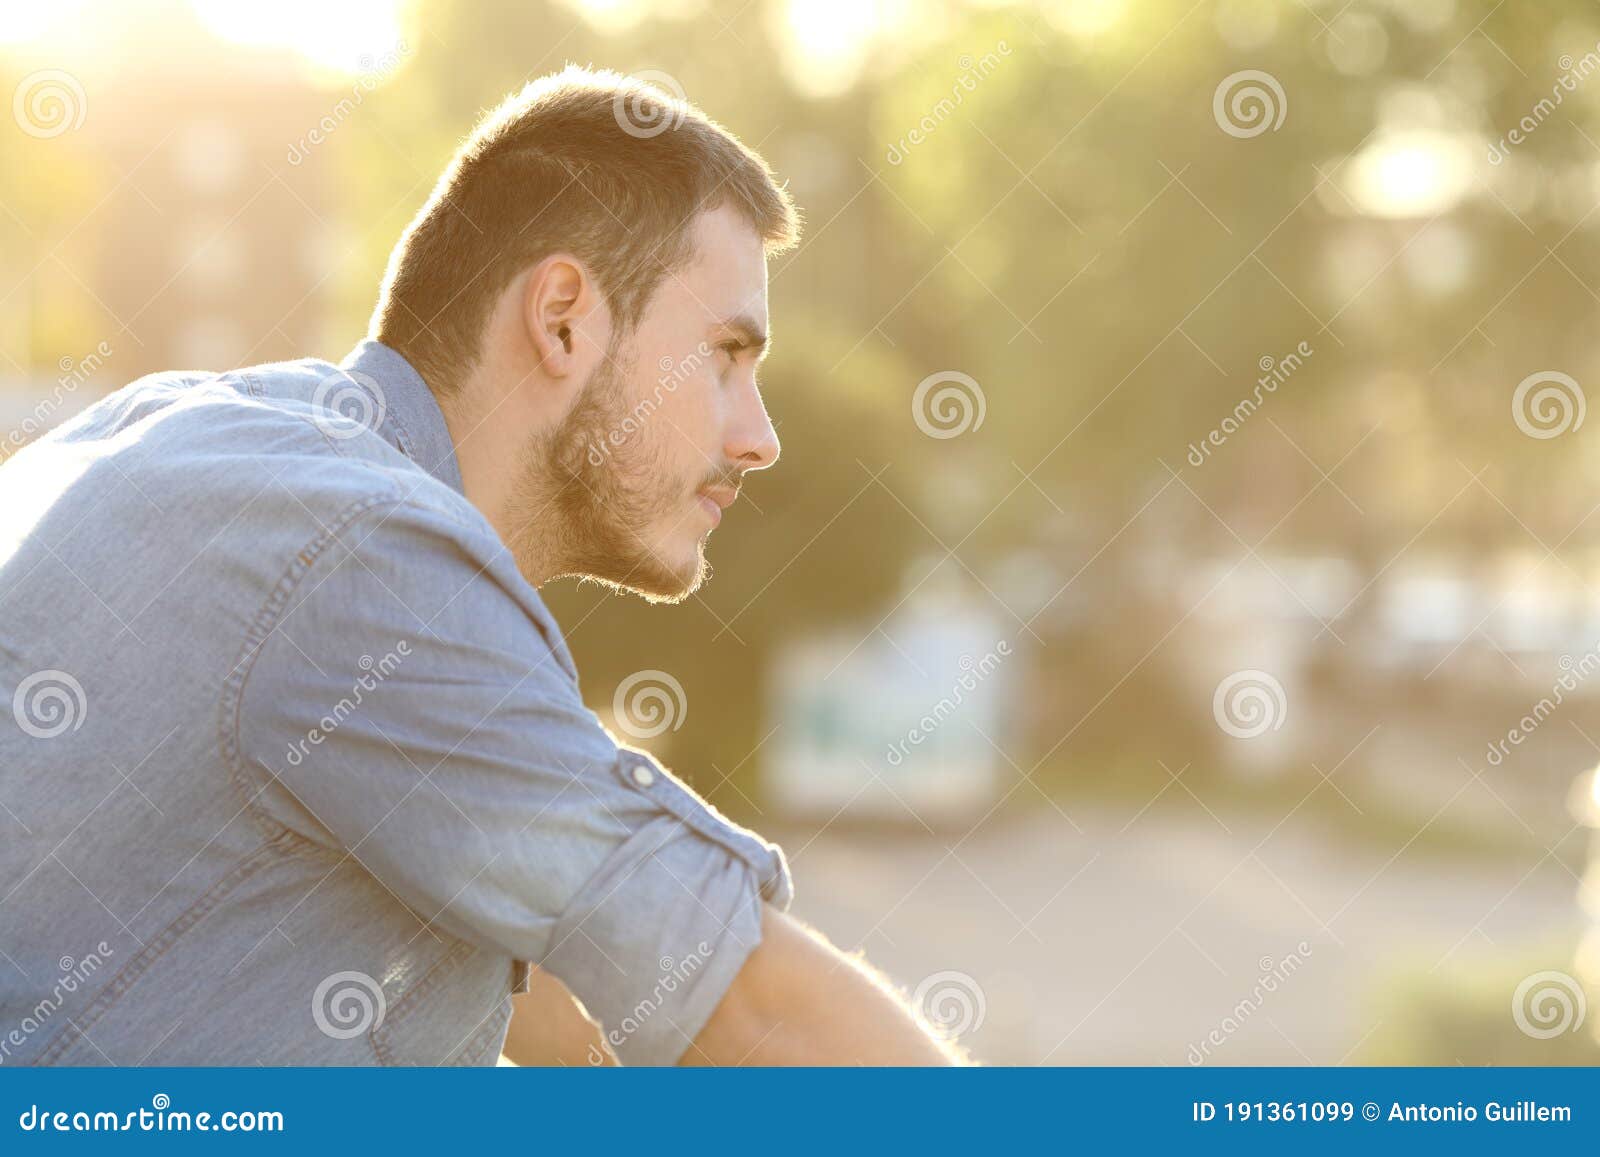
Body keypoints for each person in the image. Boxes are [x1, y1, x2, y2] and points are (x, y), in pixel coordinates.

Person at [0, 66, 962, 1066]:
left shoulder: (183, 430)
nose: (758, 436)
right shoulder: (358, 551)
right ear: (562, 319)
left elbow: (558, 1004)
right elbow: (748, 1004)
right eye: (723, 353)